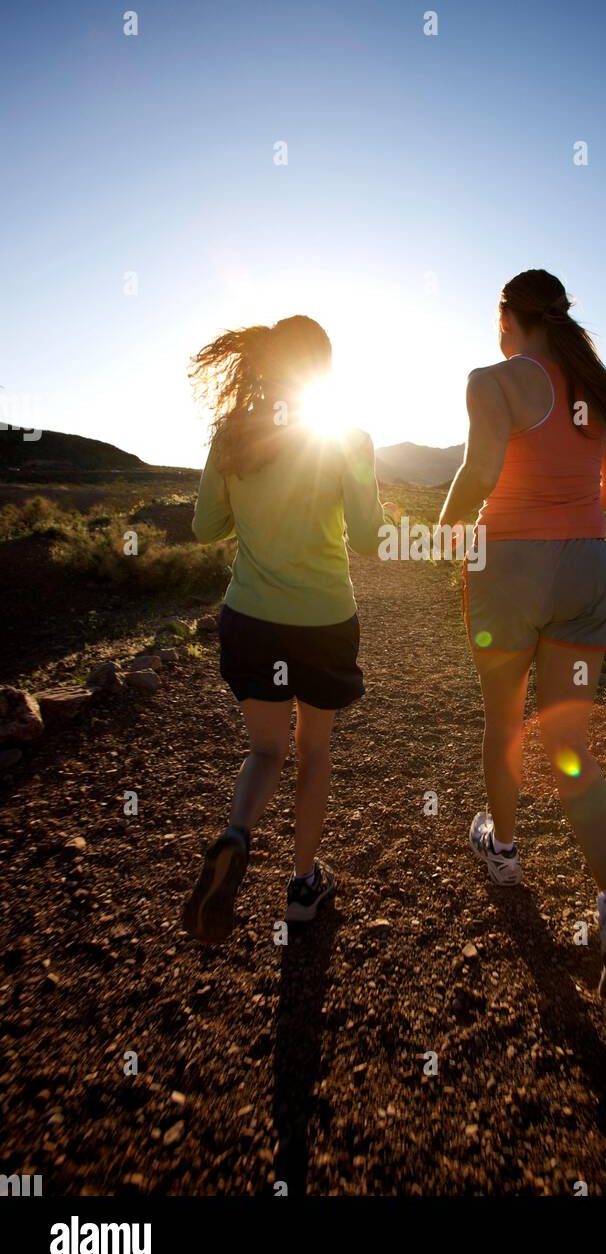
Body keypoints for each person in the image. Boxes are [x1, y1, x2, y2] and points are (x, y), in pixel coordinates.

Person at [438, 269, 606, 1001]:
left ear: (507, 317)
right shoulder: (600, 387)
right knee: (569, 742)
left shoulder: (493, 379)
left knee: (504, 721)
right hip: (588, 568)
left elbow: (481, 468)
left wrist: (444, 532)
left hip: (508, 564)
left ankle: (503, 852)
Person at [181, 316, 384, 942]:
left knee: (265, 751)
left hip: (250, 621)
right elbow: (374, 541)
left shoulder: (231, 437)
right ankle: (301, 888)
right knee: (312, 751)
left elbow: (205, 528)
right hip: (322, 621)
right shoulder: (346, 437)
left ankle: (235, 835)